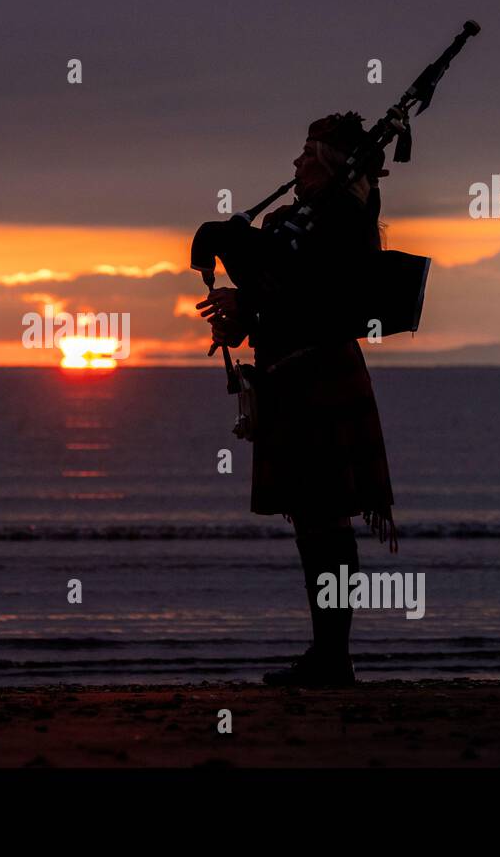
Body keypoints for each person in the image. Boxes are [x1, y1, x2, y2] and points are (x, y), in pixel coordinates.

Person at [197, 112, 397, 687]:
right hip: (296, 374)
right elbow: (284, 296)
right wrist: (240, 313)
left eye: (308, 155)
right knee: (315, 523)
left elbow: (297, 283)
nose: (296, 164)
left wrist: (239, 258)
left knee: (326, 520)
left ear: (333, 165)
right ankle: (328, 655)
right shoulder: (307, 219)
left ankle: (333, 658)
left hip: (318, 376)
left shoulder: (341, 220)